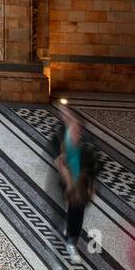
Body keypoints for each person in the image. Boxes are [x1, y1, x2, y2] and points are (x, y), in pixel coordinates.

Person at [52, 104, 97, 256]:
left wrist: (90, 186)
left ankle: (71, 241)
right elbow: (56, 156)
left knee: (76, 211)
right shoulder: (61, 134)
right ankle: (70, 232)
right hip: (65, 181)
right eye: (74, 127)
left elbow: (92, 168)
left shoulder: (86, 148)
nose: (76, 132)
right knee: (71, 208)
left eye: (78, 129)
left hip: (80, 183)